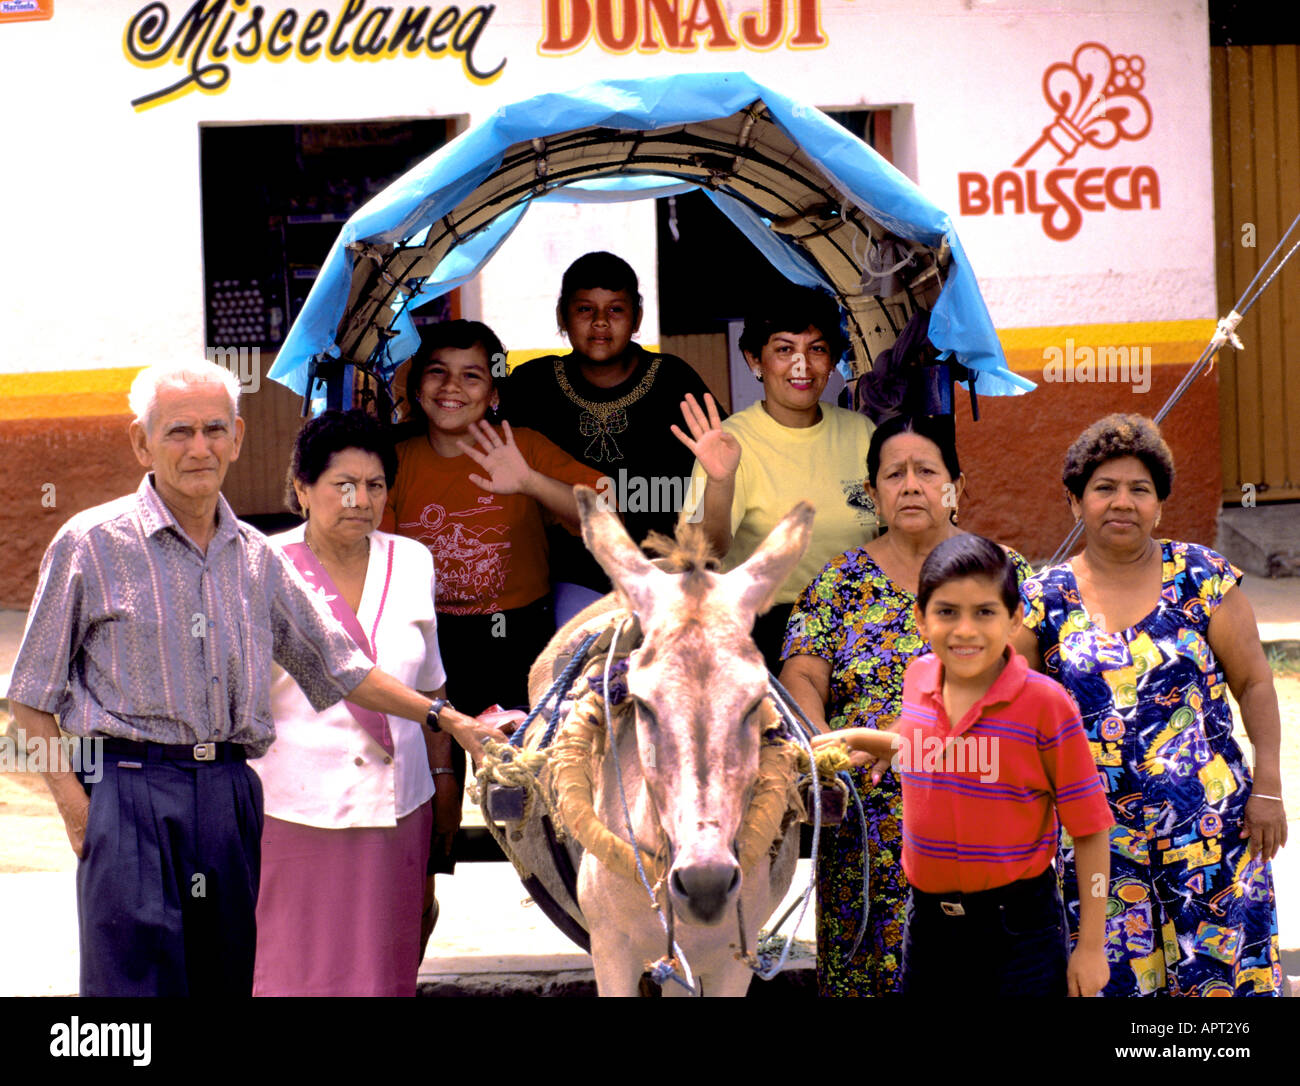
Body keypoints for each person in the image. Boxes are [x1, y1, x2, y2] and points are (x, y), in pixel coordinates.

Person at [6, 359, 505, 997]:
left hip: (230, 792)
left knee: (229, 979)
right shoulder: (92, 543)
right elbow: (30, 697)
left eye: (215, 429)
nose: (200, 448)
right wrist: (79, 810)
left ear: (238, 440)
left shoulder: (256, 556)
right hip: (128, 789)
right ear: (141, 442)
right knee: (129, 992)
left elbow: (340, 667)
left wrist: (445, 718)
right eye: (178, 432)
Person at [1013, 413, 1287, 997]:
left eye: (1140, 489)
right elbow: (1005, 704)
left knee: (1220, 990)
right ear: (1074, 501)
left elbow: (1257, 684)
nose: (1122, 502)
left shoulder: (1202, 578)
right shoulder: (1042, 600)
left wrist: (1267, 788)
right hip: (1096, 849)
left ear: (1159, 505)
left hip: (1214, 838)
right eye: (1104, 488)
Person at [779, 414, 1033, 997]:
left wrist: (906, 735)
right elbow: (802, 673)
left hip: (977, 809)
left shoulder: (1003, 572)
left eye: (927, 471)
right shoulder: (839, 581)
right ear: (872, 493)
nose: (911, 485)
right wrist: (825, 746)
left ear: (957, 488)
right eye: (894, 474)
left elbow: (1019, 677)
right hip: (865, 819)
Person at [813, 533, 1113, 997]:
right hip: (929, 929)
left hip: (1019, 933)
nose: (965, 630)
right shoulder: (918, 680)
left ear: (1015, 618)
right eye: (947, 612)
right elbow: (939, 752)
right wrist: (861, 739)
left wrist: (1092, 946)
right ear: (921, 619)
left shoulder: (1045, 706)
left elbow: (1091, 829)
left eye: (985, 612)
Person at [380, 320, 602, 927]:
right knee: (432, 809)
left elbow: (601, 513)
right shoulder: (393, 462)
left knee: (550, 795)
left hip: (521, 645)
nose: (453, 387)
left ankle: (606, 918)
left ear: (493, 392)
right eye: (437, 372)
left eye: (471, 375)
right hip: (429, 648)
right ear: (415, 384)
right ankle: (413, 919)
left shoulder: (521, 444)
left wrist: (528, 481)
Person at [252, 410, 451, 996]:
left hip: (398, 809)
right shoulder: (261, 565)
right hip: (291, 812)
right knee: (292, 970)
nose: (360, 499)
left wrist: (444, 789)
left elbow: (433, 684)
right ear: (301, 488)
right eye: (343, 484)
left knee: (382, 974)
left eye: (375, 485)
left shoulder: (412, 560)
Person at [498, 251, 721, 620]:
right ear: (562, 316)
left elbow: (717, 463)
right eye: (585, 309)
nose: (600, 323)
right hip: (569, 572)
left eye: (615, 310)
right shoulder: (532, 383)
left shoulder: (672, 379)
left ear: (637, 317)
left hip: (663, 567)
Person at [673, 286, 878, 671]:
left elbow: (892, 535)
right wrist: (720, 481)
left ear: (833, 360)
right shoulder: (731, 445)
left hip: (861, 625)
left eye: (816, 349)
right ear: (755, 359)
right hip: (767, 633)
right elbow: (704, 553)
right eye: (784, 350)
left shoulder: (862, 433)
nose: (801, 365)